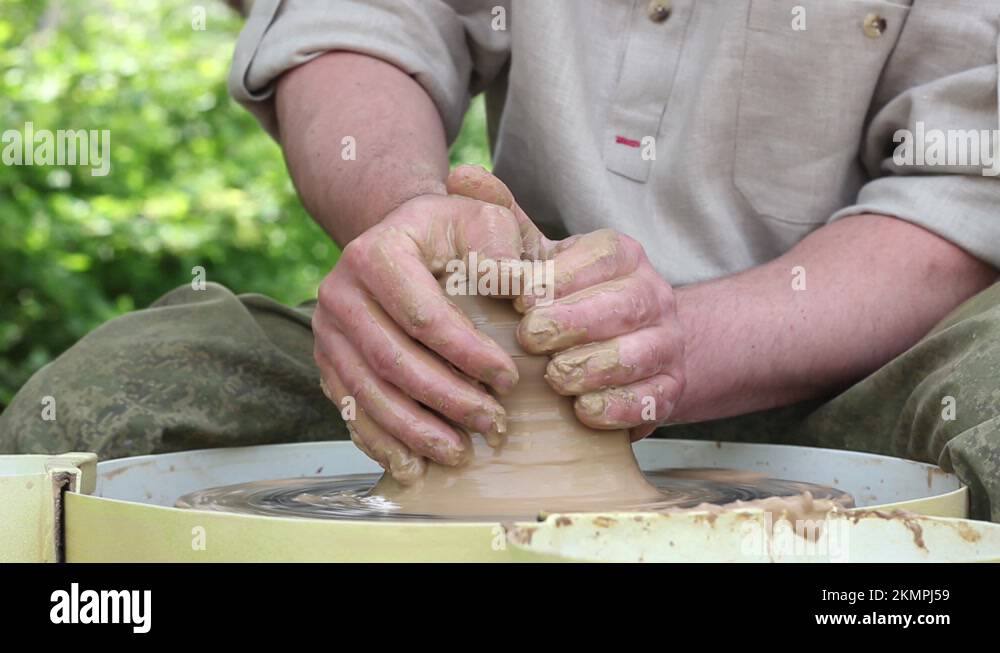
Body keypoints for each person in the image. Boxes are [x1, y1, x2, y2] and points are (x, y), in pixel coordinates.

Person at [3, 0, 1000, 520]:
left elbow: (958, 192)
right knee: (101, 410)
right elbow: (358, 31)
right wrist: (406, 216)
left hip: (858, 368)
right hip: (481, 360)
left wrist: (681, 347)